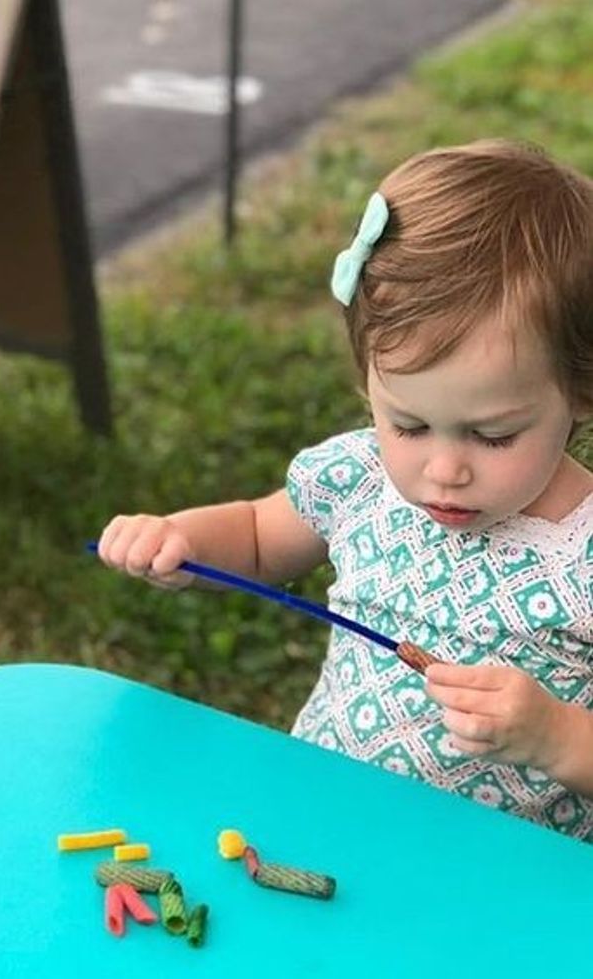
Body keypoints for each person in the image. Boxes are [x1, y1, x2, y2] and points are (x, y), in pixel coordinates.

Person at [96, 139, 593, 840]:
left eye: (492, 436)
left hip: (501, 883)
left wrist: (556, 736)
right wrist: (181, 540)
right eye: (409, 423)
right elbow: (262, 537)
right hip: (327, 822)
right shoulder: (360, 479)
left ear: (579, 393)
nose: (443, 469)